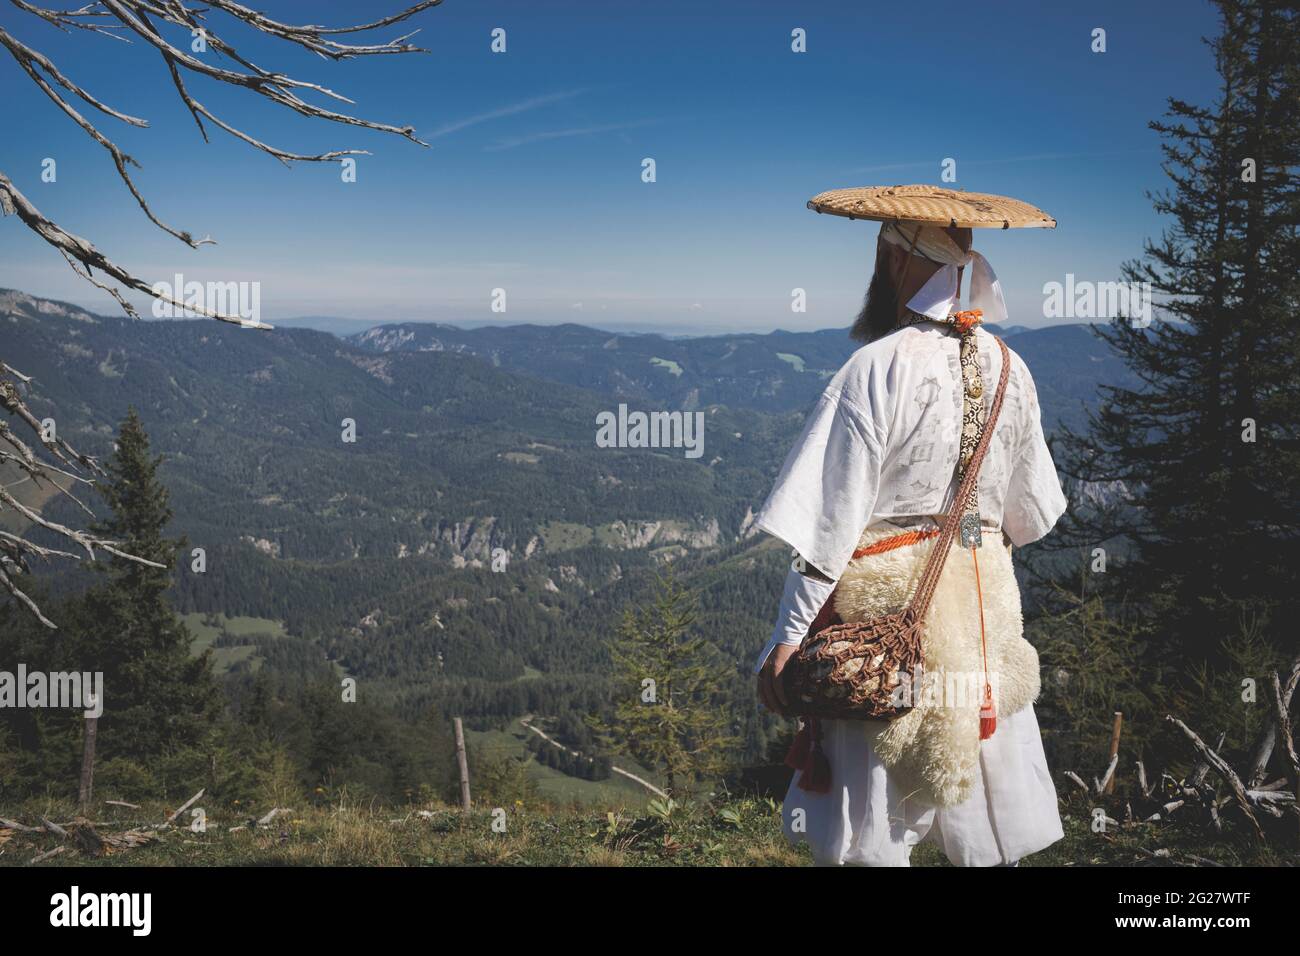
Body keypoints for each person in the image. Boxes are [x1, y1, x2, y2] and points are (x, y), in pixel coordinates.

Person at [753, 187, 1068, 867]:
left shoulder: (875, 367)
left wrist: (786, 641)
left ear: (895, 259)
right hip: (984, 612)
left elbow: (826, 526)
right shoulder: (1014, 369)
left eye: (881, 254)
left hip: (885, 619)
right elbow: (1030, 517)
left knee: (868, 814)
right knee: (984, 805)